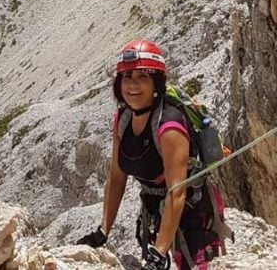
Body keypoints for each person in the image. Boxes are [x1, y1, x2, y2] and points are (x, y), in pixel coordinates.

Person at [77, 40, 226, 270]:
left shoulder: (169, 125)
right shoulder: (123, 120)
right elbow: (117, 177)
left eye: (142, 78)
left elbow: (177, 192)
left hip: (194, 215)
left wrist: (159, 252)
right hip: (155, 210)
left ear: (156, 83)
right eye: (127, 77)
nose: (133, 86)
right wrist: (103, 231)